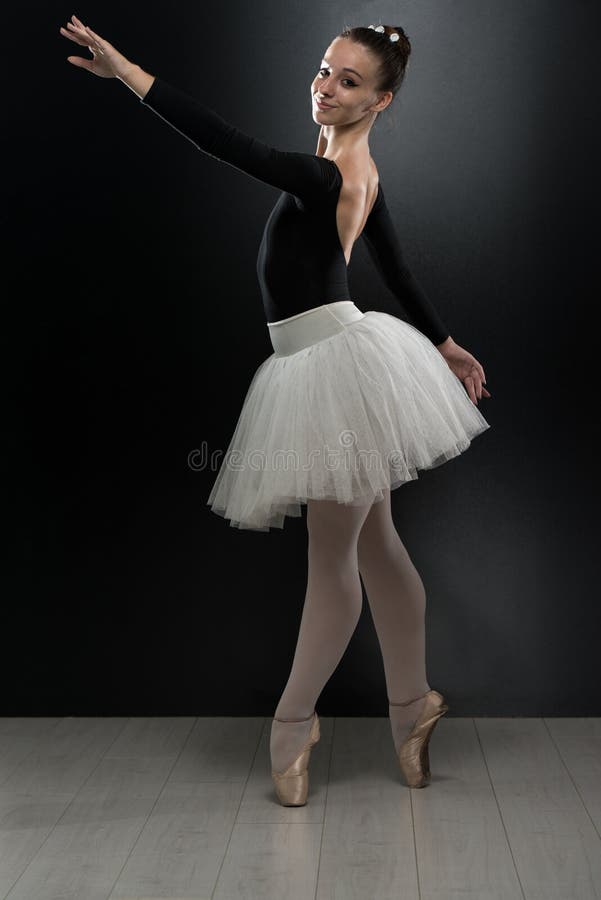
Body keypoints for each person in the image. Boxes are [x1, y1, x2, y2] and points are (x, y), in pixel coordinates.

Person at [61, 15, 492, 806]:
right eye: (324, 71)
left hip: (332, 368)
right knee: (379, 547)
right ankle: (411, 707)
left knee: (333, 564)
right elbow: (393, 267)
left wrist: (127, 72)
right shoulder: (359, 174)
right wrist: (446, 342)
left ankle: (294, 723)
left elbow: (229, 145)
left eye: (348, 82)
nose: (325, 89)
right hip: (333, 361)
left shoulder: (327, 178)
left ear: (382, 101)